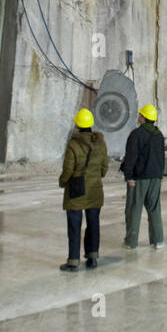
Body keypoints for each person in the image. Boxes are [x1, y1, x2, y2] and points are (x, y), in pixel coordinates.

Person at [59, 108, 108, 272]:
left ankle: (73, 260)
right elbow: (104, 168)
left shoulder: (74, 144)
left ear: (78, 125)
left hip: (76, 190)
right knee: (93, 224)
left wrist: (63, 182)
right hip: (95, 190)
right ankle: (92, 257)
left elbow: (68, 169)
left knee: (74, 226)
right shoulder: (101, 143)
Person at [121, 103, 165, 250]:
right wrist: (159, 175)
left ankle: (131, 241)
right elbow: (161, 158)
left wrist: (129, 176)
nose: (138, 117)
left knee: (134, 208)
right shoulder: (159, 135)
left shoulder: (137, 134)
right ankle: (158, 240)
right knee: (154, 208)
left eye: (140, 115)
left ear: (144, 118)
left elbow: (131, 157)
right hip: (156, 177)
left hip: (139, 178)